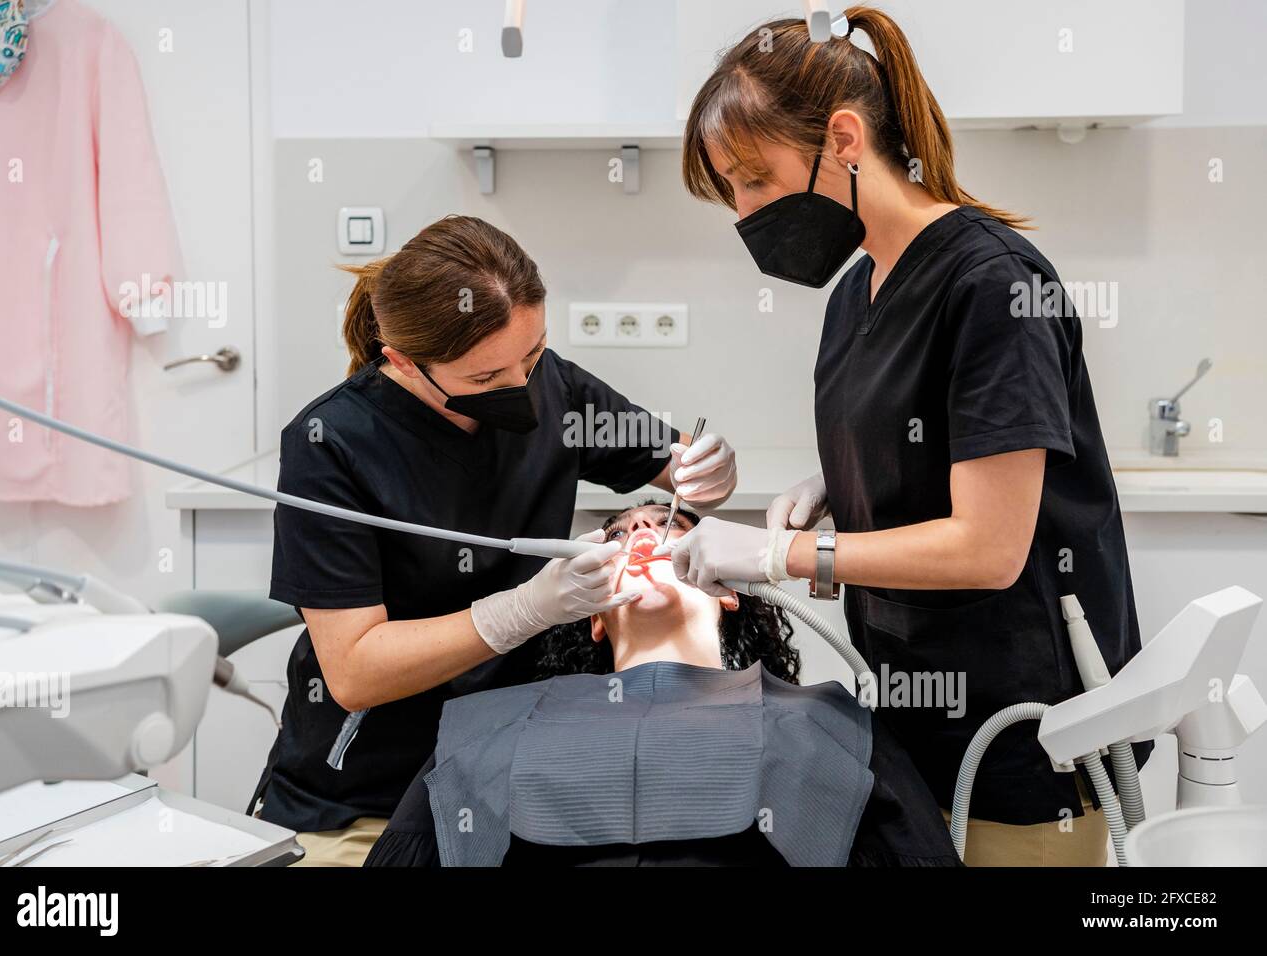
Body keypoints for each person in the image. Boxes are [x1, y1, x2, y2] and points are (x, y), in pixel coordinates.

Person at [664, 9, 1145, 865]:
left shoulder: (991, 284)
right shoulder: (860, 290)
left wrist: (777, 558)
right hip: (908, 711)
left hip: (1018, 730)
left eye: (754, 180)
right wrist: (836, 483)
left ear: (843, 137)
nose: (743, 213)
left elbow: (987, 548)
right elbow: (929, 434)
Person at [248, 216, 740, 866]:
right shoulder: (331, 445)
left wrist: (706, 469)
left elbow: (675, 470)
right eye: (484, 381)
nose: (521, 388)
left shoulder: (554, 386)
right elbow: (355, 672)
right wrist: (522, 610)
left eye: (531, 356)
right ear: (402, 360)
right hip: (367, 800)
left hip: (509, 779)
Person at [364, 502, 960, 867]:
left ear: (728, 588)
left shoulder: (826, 722)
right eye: (622, 535)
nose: (643, 533)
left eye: (668, 525)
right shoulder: (489, 724)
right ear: (592, 616)